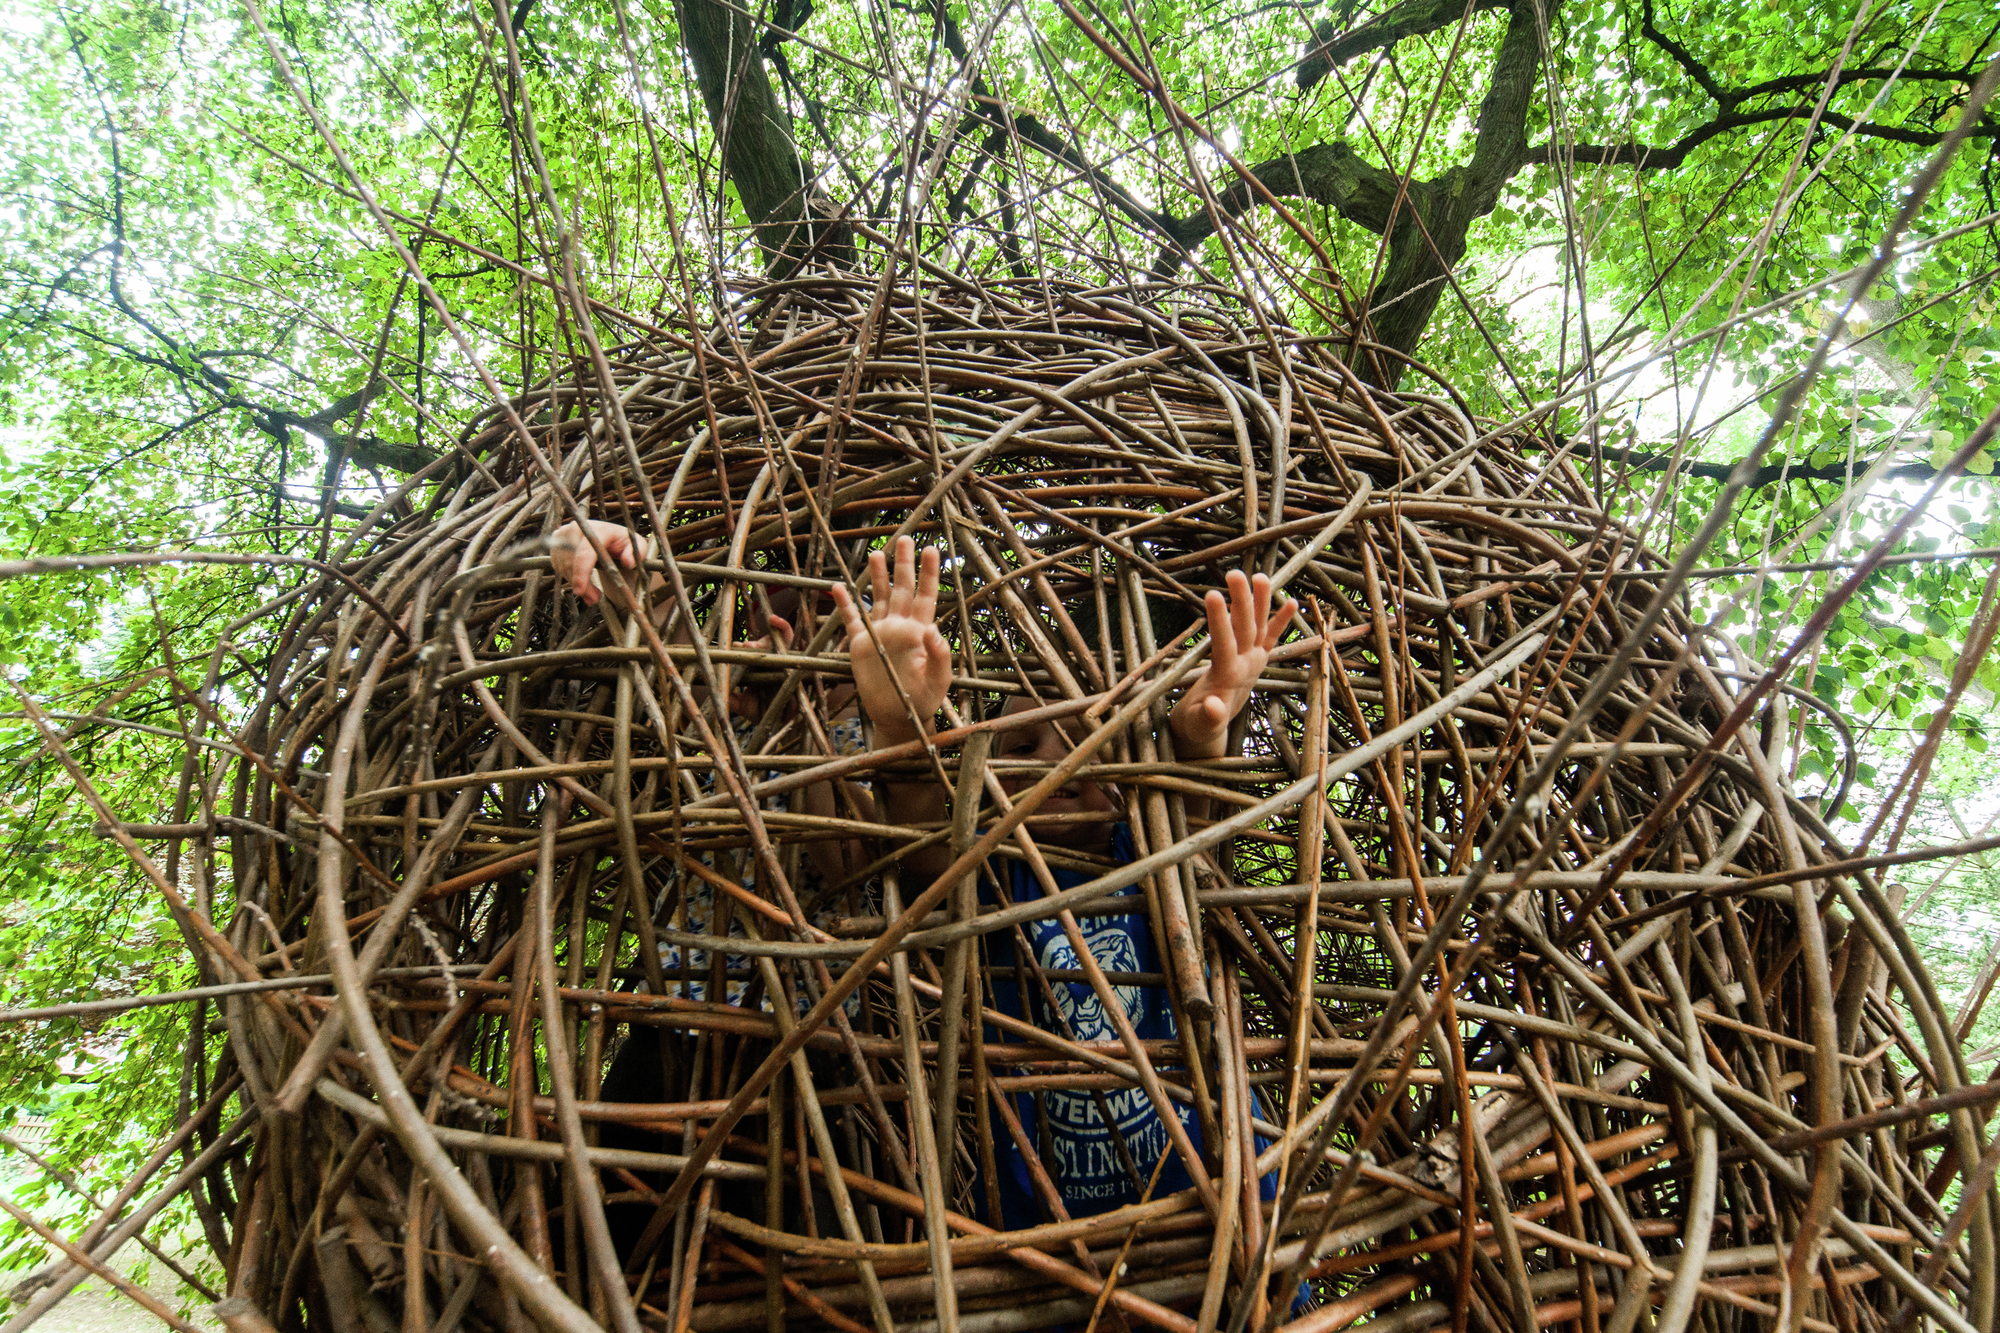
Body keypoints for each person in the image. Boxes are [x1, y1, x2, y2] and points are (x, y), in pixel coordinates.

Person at [831, 535, 1295, 1228]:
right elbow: (919, 842)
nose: (1060, 767)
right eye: (1023, 749)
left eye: (1088, 745)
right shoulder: (987, 871)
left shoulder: (1145, 850)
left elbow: (1195, 817)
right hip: (1046, 1231)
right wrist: (903, 722)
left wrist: (1201, 734)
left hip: (1214, 1207)